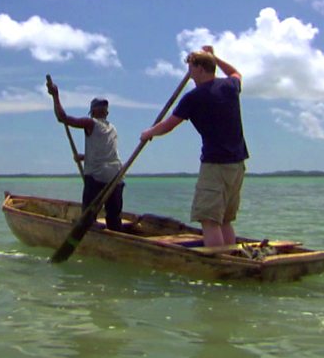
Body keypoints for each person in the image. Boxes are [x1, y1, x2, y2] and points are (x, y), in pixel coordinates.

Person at [141, 45, 248, 248]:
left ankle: (219, 265)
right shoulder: (229, 86)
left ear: (200, 68)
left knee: (209, 220)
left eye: (191, 68)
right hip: (238, 164)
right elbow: (236, 73)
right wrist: (215, 58)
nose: (189, 74)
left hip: (216, 165)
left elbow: (168, 125)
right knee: (224, 219)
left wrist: (149, 132)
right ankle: (231, 257)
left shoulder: (193, 97)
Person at [46, 80, 126, 231]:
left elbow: (62, 118)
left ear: (93, 112)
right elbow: (106, 153)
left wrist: (55, 96)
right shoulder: (112, 128)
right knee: (114, 219)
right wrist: (83, 157)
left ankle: (90, 222)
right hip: (116, 178)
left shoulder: (91, 123)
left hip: (97, 177)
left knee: (87, 217)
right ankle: (115, 231)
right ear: (106, 112)